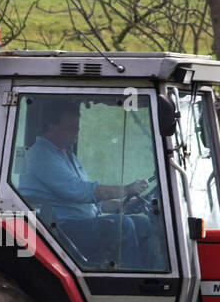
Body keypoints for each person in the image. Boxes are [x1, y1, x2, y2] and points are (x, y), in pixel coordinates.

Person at [19, 98, 156, 269]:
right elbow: (79, 192)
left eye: (77, 127)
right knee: (123, 226)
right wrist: (127, 188)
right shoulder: (41, 155)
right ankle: (132, 283)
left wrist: (122, 206)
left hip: (79, 223)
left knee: (142, 223)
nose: (77, 131)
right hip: (58, 229)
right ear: (51, 126)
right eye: (71, 127)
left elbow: (89, 202)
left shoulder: (67, 155)